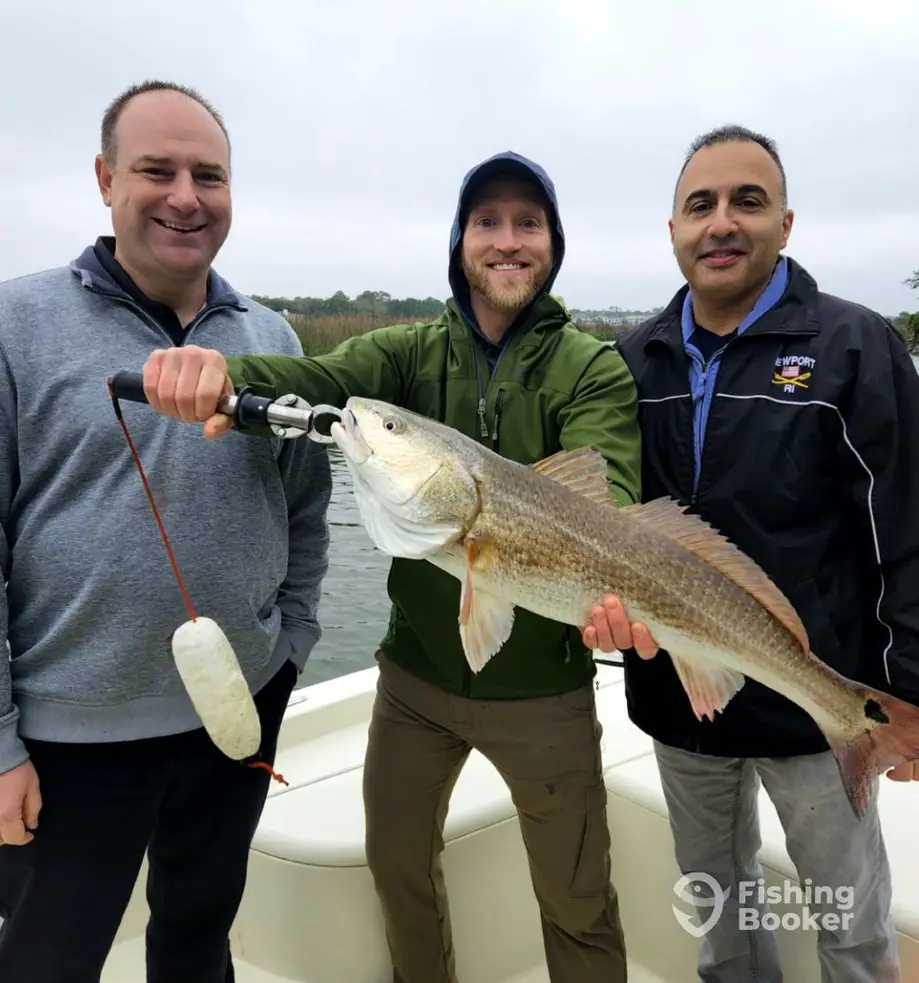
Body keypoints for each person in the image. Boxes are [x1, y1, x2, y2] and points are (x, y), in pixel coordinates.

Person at [140, 150, 643, 983]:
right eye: (486, 222)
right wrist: (225, 375)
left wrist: (619, 588)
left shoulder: (589, 367)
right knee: (398, 868)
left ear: (553, 243)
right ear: (458, 242)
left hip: (544, 690)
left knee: (577, 894)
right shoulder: (407, 353)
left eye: (528, 223)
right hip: (412, 680)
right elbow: (322, 384)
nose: (507, 241)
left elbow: (609, 495)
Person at [0, 80, 332, 983]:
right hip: (68, 739)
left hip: (240, 712)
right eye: (157, 170)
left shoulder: (269, 332)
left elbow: (304, 510)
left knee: (197, 937)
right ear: (106, 179)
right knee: (46, 957)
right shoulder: (14, 323)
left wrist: (292, 642)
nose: (186, 196)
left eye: (208, 175)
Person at [582, 124, 919, 983]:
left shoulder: (855, 347)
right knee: (720, 921)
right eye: (700, 205)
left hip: (817, 704)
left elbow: (906, 526)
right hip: (678, 702)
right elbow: (612, 526)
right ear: (672, 232)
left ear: (786, 222)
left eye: (747, 201)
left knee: (847, 922)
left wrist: (905, 688)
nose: (721, 222)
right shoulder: (630, 360)